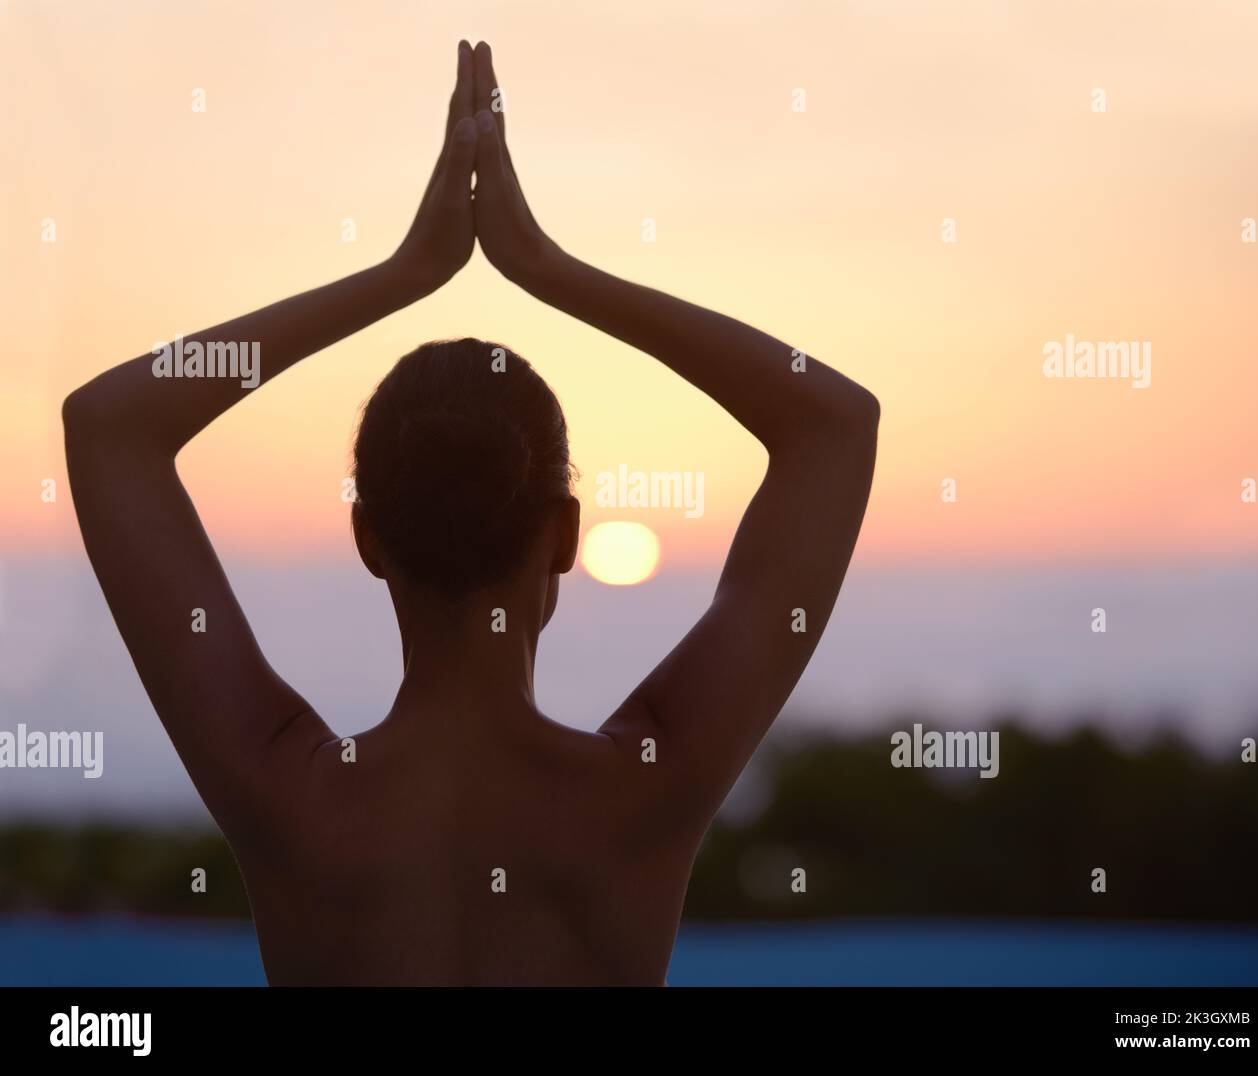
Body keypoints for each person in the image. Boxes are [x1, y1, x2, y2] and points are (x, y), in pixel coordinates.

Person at [63, 41, 880, 985]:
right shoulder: (644, 788)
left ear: (368, 539)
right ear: (567, 537)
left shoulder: (284, 789)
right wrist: (546, 265)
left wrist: (406, 271)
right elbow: (834, 426)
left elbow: (109, 427)